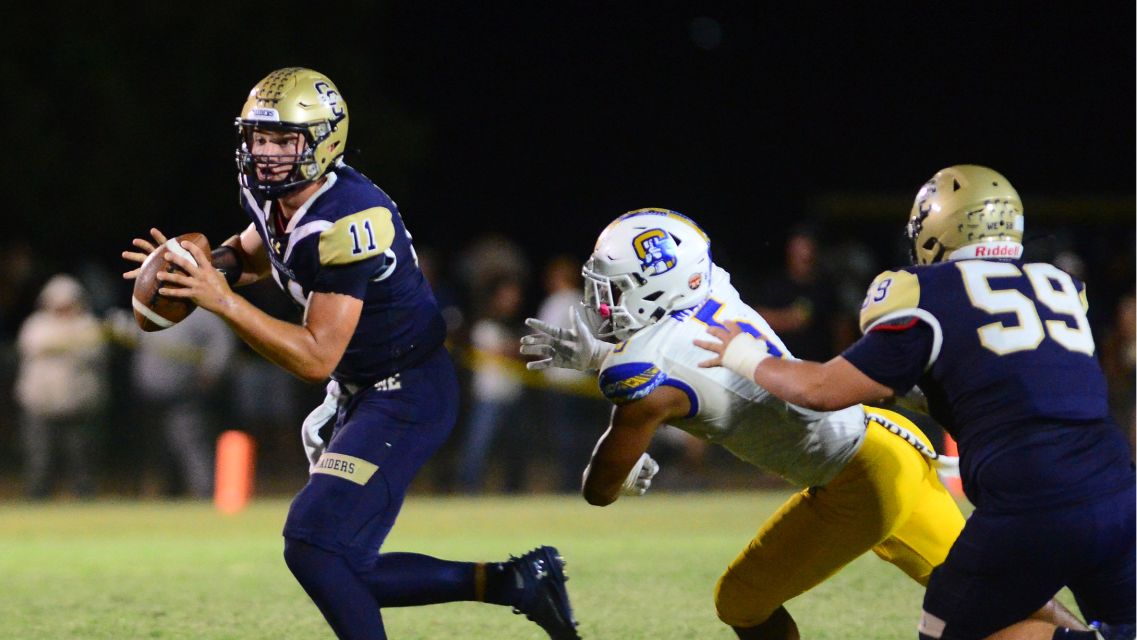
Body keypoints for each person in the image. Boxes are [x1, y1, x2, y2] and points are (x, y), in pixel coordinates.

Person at [122, 68, 578, 640]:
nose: (266, 153)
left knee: (316, 546)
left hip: (407, 391)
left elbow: (315, 356)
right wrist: (208, 267)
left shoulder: (349, 218)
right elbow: (259, 250)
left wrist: (223, 302)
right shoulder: (274, 193)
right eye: (259, 137)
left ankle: (519, 582)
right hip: (361, 389)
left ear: (323, 141)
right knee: (341, 562)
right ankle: (518, 582)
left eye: (284, 140)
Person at [521, 208, 1080, 640]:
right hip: (889, 444)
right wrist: (602, 354)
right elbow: (684, 346)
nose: (602, 304)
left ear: (660, 287)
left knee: (741, 602)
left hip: (856, 484)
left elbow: (599, 490)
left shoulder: (642, 377)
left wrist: (618, 456)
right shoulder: (713, 286)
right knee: (1003, 594)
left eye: (616, 289)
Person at [696, 166, 1135, 640]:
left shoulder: (927, 291)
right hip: (1119, 492)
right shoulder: (1059, 285)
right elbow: (1024, 384)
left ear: (937, 226)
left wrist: (743, 354)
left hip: (1030, 502)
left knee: (946, 633)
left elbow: (819, 390)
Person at [16, 274, 108, 498]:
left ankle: (86, 501)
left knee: (82, 459)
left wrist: (62, 344)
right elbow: (35, 345)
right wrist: (68, 343)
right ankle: (37, 500)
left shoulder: (88, 324)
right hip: (41, 405)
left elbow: (96, 349)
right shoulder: (36, 324)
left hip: (80, 406)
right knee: (40, 458)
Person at [131, 304, 236, 498]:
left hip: (183, 395)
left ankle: (204, 493)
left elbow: (221, 342)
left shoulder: (197, 313)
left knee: (190, 444)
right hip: (150, 399)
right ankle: (167, 493)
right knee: (159, 450)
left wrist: (211, 372)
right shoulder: (151, 308)